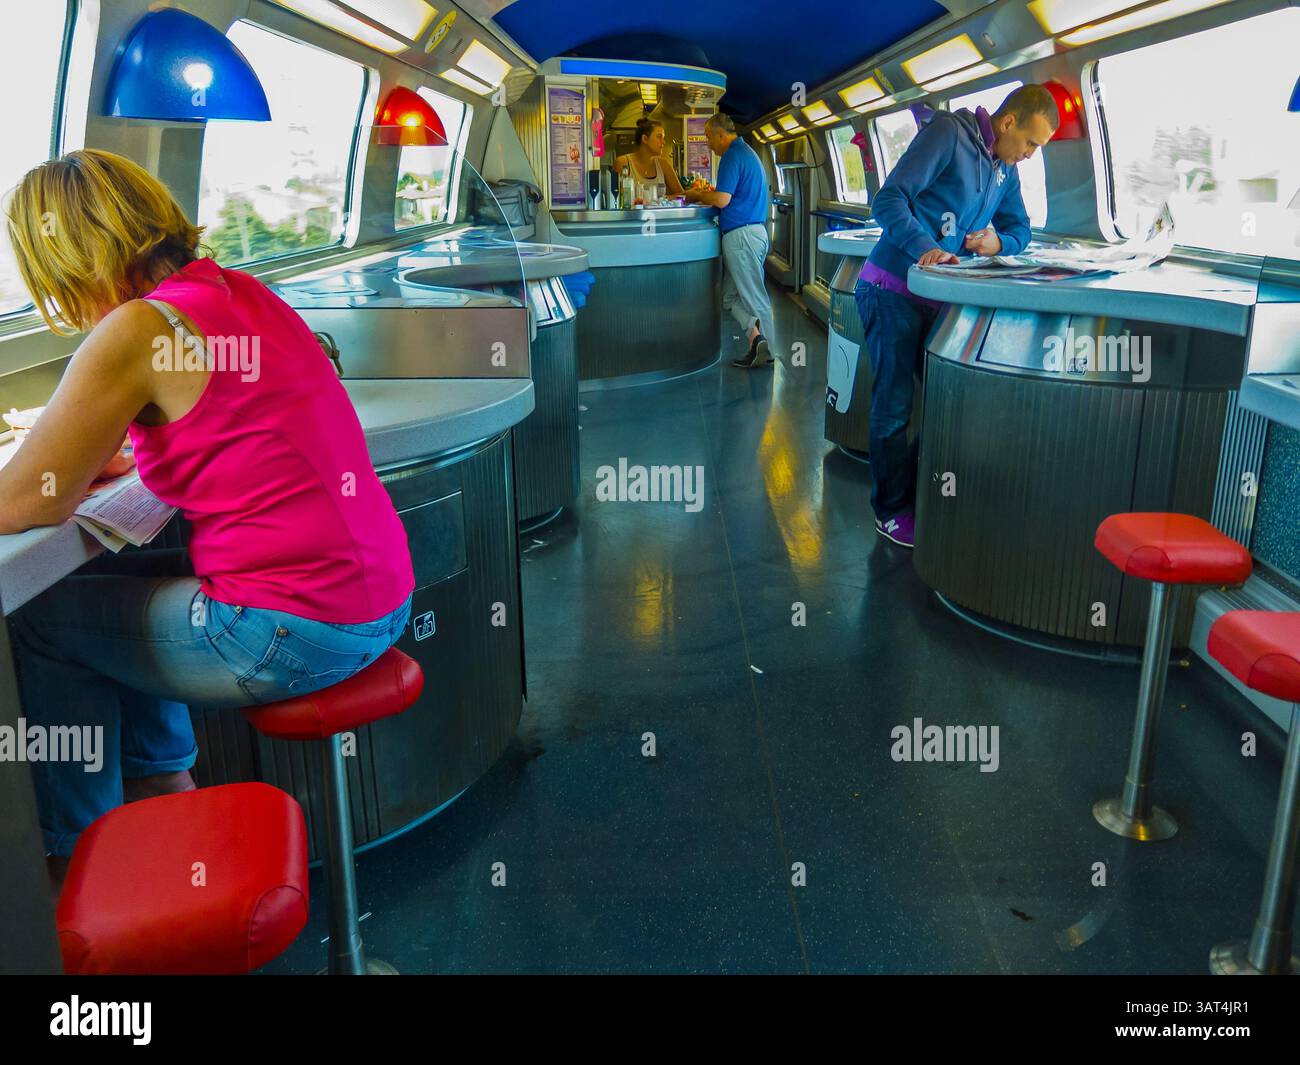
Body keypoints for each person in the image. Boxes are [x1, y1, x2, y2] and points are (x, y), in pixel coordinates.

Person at [0, 149, 415, 889]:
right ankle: (161, 790)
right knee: (122, 585)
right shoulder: (239, 291)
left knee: (43, 617)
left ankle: (85, 870)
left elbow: (29, 501)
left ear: (67, 256)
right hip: (380, 599)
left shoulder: (133, 329)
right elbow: (210, 424)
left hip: (297, 630)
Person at [857, 85, 1058, 547]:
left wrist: (997, 243)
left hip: (939, 300)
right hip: (891, 288)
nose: (1029, 154)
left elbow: (1020, 229)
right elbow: (888, 201)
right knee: (894, 406)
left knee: (950, 398)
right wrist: (926, 246)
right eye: (1030, 143)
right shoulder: (948, 133)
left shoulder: (1005, 170)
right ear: (1008, 123)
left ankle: (913, 490)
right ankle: (888, 510)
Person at [684, 113, 776, 369]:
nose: (707, 143)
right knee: (728, 297)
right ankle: (757, 340)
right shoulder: (747, 153)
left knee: (755, 297)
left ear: (721, 135)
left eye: (708, 137)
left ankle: (769, 355)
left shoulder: (732, 156)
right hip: (751, 233)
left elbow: (722, 199)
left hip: (742, 237)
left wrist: (696, 195)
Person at [614, 118, 685, 203]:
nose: (663, 142)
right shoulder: (623, 163)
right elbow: (615, 199)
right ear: (645, 139)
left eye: (663, 137)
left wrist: (663, 200)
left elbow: (682, 195)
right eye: (659, 137)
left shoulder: (663, 164)